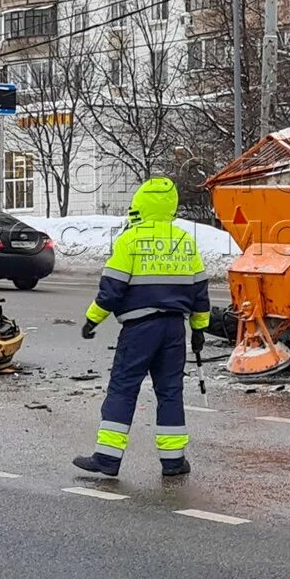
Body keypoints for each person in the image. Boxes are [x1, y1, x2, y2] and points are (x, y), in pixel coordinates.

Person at [72, 177, 211, 479]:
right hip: (175, 329)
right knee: (170, 392)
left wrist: (93, 319)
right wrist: (199, 328)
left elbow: (112, 289)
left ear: (140, 205)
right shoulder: (185, 241)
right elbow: (200, 291)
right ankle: (173, 461)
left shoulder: (130, 240)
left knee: (123, 388)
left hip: (139, 328)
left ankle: (108, 458)